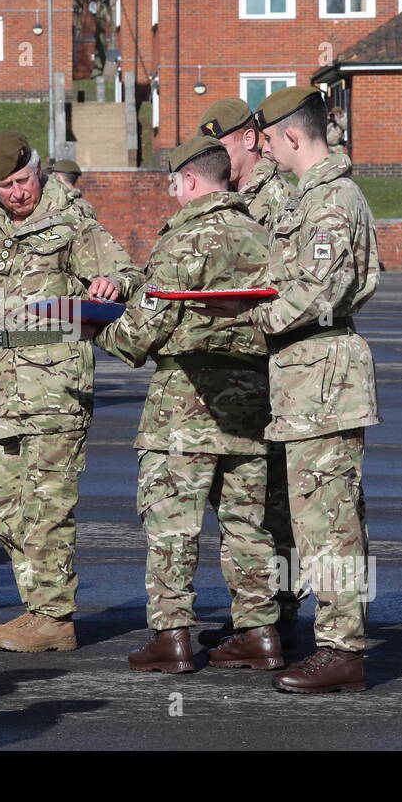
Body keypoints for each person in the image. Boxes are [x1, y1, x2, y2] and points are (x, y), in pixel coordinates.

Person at [94, 135, 281, 674]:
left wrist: (95, 328)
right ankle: (259, 630)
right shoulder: (262, 236)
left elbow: (139, 335)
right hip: (251, 404)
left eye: (174, 183)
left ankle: (172, 636)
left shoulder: (183, 242)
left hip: (186, 406)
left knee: (172, 524)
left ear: (192, 181)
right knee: (249, 524)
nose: (173, 192)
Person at [0, 130, 141, 652]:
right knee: (8, 511)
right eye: (5, 186)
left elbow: (125, 272)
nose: (18, 192)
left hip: (53, 389)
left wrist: (111, 284)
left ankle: (54, 618)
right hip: (1, 390)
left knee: (47, 508)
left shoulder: (73, 223)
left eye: (23, 180)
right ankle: (36, 606)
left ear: (38, 171)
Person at [252, 85, 380, 694]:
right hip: (306, 380)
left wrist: (253, 317)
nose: (267, 152)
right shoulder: (312, 197)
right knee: (318, 517)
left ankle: (342, 649)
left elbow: (321, 290)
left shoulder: (332, 201)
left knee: (327, 520)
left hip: (323, 379)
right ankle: (336, 640)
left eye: (271, 141)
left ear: (293, 137)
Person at [194, 97, 301, 650]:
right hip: (237, 367)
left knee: (274, 497)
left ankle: (279, 616)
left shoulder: (276, 198)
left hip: (271, 364)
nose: (217, 155)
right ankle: (263, 612)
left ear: (253, 139)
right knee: (248, 499)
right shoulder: (231, 197)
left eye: (224, 144)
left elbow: (287, 279)